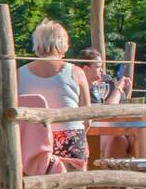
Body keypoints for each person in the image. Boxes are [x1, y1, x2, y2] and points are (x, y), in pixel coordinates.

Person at [17, 20, 91, 163]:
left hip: (33, 142)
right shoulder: (77, 72)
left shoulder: (18, 74)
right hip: (70, 136)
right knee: (74, 182)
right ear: (63, 44)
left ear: (37, 44)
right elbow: (88, 118)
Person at [78, 47, 132, 189]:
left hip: (106, 130)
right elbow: (109, 109)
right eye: (98, 66)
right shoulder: (79, 86)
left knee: (135, 139)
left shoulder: (103, 84)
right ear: (86, 68)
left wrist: (123, 91)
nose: (102, 70)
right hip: (89, 134)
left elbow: (117, 109)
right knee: (118, 140)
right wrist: (118, 89)